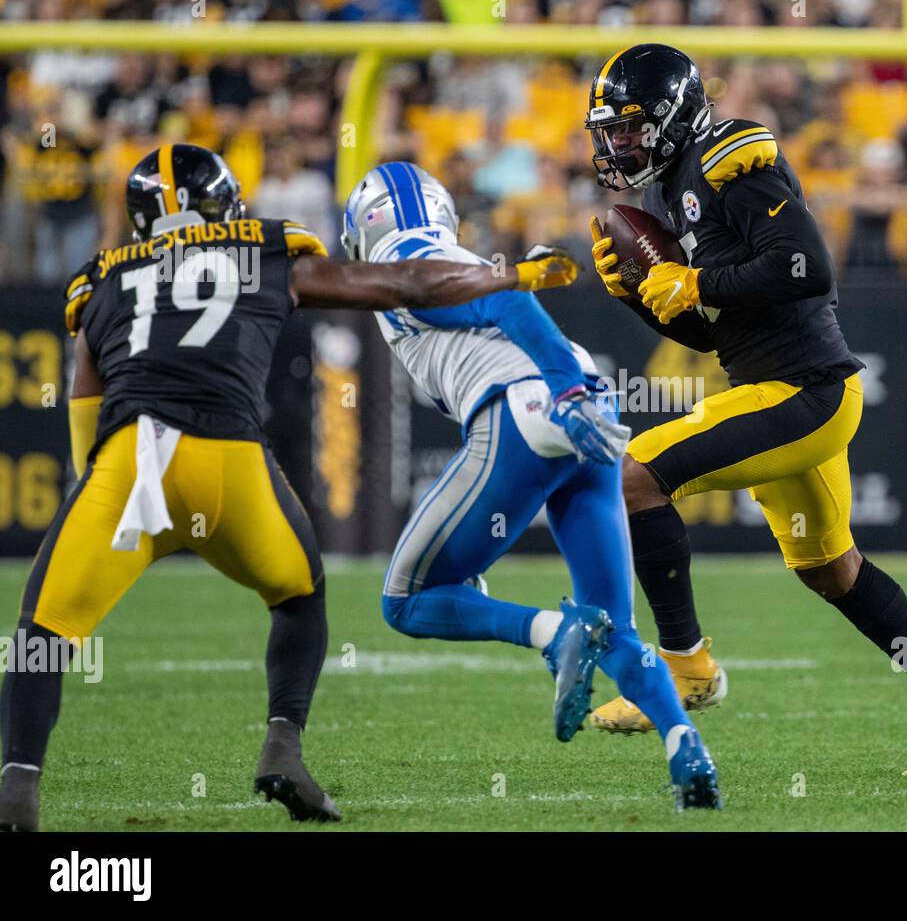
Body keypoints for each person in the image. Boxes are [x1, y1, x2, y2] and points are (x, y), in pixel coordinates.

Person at [0, 143, 577, 832]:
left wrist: (99, 498)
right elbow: (407, 285)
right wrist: (505, 276)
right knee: (299, 597)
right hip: (228, 462)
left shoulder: (99, 278)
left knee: (41, 636)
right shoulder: (266, 248)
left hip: (129, 465)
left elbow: (83, 410)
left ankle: (18, 790)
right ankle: (283, 748)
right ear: (224, 206)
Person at [584, 44, 907, 774]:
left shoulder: (727, 157)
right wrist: (642, 295)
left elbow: (804, 266)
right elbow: (710, 321)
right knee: (831, 571)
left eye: (630, 127)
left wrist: (696, 280)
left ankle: (686, 666)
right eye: (610, 130)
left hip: (806, 391)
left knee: (635, 474)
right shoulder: (669, 188)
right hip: (771, 386)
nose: (618, 144)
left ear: (676, 116)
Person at [343, 162, 721, 810]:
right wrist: (575, 392)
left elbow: (506, 299)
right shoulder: (437, 250)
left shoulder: (406, 256)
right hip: (583, 410)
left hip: (539, 408)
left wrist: (564, 392)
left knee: (406, 600)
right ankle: (685, 746)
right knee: (613, 626)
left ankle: (549, 632)